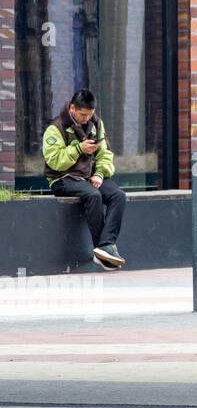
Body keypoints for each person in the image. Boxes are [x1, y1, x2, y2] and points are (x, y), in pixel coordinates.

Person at [43, 89, 126, 271]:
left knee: (118, 195)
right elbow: (55, 161)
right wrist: (79, 149)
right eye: (83, 114)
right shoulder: (55, 128)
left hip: (89, 177)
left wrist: (100, 173)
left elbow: (105, 153)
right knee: (93, 195)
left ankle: (106, 245)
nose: (86, 119)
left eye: (90, 114)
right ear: (72, 108)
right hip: (62, 178)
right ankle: (101, 249)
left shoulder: (96, 123)